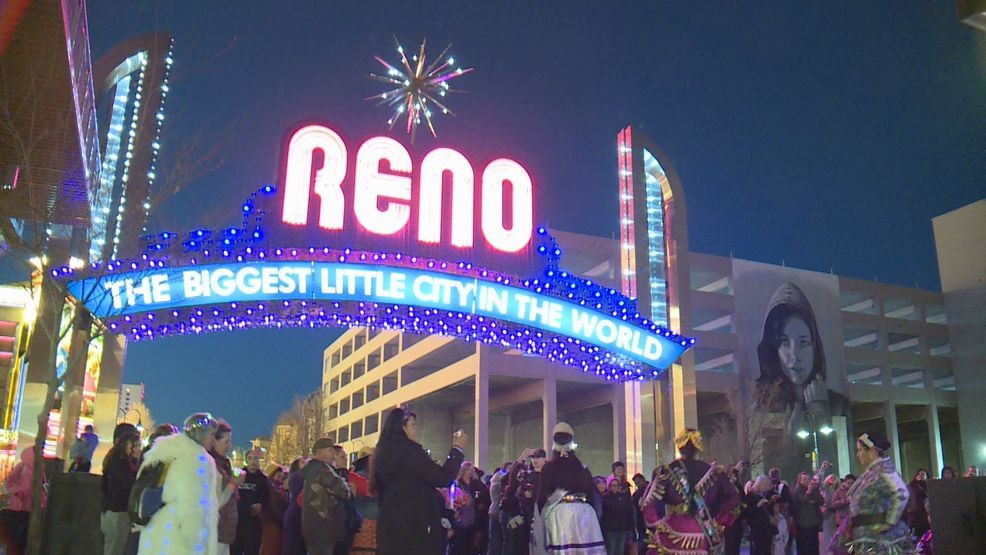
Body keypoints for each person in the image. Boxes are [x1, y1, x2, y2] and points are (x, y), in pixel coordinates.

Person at [755, 283, 847, 441]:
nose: (795, 355)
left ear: (815, 347)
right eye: (785, 342)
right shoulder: (761, 407)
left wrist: (820, 410)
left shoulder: (838, 404)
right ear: (774, 348)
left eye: (803, 343)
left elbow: (833, 452)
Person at [371, 407, 467, 555]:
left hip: (389, 526)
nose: (416, 430)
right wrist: (457, 449)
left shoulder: (382, 454)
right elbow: (442, 477)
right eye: (413, 425)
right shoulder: (410, 452)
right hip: (414, 528)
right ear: (402, 427)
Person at [641, 429, 739, 555]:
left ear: (679, 447)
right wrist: (719, 523)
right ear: (698, 449)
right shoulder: (713, 472)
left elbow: (647, 503)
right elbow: (734, 500)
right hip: (703, 533)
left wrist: (658, 524)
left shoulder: (666, 471)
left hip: (672, 532)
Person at [138, 412, 223, 555]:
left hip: (154, 532)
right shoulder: (198, 459)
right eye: (212, 434)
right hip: (177, 541)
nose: (213, 440)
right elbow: (193, 510)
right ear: (201, 433)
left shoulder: (165, 450)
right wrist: (198, 545)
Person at [535, 422, 605, 555]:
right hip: (585, 512)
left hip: (560, 513)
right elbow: (592, 493)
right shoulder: (582, 467)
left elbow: (542, 496)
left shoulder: (549, 467)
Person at [845, 433, 912, 554]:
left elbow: (902, 493)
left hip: (881, 539)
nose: (858, 454)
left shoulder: (884, 469)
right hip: (868, 536)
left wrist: (890, 521)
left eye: (860, 450)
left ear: (871, 451)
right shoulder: (872, 472)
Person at [301, 440, 351, 555]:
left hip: (313, 526)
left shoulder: (311, 469)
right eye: (330, 451)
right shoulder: (323, 470)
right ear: (318, 452)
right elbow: (343, 491)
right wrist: (347, 487)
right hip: (324, 526)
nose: (333, 454)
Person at [101, 424, 141, 555]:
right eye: (136, 444)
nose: (138, 448)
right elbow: (127, 485)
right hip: (118, 512)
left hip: (110, 510)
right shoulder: (121, 462)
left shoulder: (114, 458)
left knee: (111, 548)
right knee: (115, 549)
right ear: (127, 444)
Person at [1, 446, 45, 555]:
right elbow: (11, 483)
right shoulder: (25, 467)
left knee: (20, 539)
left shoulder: (37, 468)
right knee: (18, 539)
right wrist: (17, 492)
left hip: (26, 508)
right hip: (21, 507)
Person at [233, 449, 270, 555]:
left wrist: (261, 506)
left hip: (253, 524)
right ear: (246, 460)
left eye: (255, 458)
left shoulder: (263, 479)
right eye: (250, 458)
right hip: (237, 522)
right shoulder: (239, 475)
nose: (253, 461)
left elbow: (266, 499)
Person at [211, 419, 240, 554]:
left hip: (224, 532)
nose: (229, 446)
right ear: (214, 441)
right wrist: (233, 484)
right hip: (216, 532)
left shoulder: (224, 464)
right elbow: (216, 503)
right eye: (226, 442)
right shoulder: (212, 466)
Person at [742, 476, 776, 555]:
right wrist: (758, 505)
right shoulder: (750, 496)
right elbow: (747, 512)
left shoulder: (764, 495)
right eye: (765, 486)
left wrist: (771, 501)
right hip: (756, 528)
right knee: (758, 550)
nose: (766, 489)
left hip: (766, 527)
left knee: (767, 549)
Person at [792, 471, 824, 555]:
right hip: (804, 523)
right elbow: (803, 501)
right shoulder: (798, 489)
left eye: (808, 479)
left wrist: (815, 492)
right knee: (806, 546)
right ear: (800, 480)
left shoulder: (814, 489)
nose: (807, 481)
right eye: (804, 479)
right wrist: (809, 492)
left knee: (814, 545)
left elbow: (821, 501)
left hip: (814, 521)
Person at [281, 457, 308, 555]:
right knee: (291, 546)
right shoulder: (296, 477)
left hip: (303, 515)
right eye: (303, 462)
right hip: (295, 514)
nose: (307, 463)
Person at [601, 477, 634, 555]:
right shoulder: (606, 497)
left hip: (622, 527)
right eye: (613, 486)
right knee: (612, 549)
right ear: (609, 487)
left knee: (620, 549)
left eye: (616, 485)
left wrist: (630, 526)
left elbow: (628, 511)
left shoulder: (624, 497)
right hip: (610, 528)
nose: (614, 488)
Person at [260, 464, 287, 555]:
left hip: (276, 521)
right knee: (270, 547)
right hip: (272, 521)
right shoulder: (271, 487)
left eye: (281, 474)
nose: (281, 476)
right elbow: (274, 504)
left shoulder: (280, 487)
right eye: (278, 474)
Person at [825, 474, 854, 555]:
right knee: (843, 543)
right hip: (842, 520)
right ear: (845, 482)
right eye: (849, 482)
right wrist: (846, 500)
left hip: (854, 520)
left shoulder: (857, 491)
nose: (850, 484)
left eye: (852, 483)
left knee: (853, 542)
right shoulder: (840, 491)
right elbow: (833, 504)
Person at [906, 469, 929, 540]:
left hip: (926, 513)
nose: (921, 476)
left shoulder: (928, 486)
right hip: (915, 513)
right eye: (919, 474)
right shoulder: (911, 486)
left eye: (923, 474)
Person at [629, 473, 649, 555]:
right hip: (642, 522)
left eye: (639, 482)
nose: (638, 485)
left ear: (643, 479)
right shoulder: (636, 494)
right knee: (642, 543)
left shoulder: (652, 489)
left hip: (654, 520)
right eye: (636, 484)